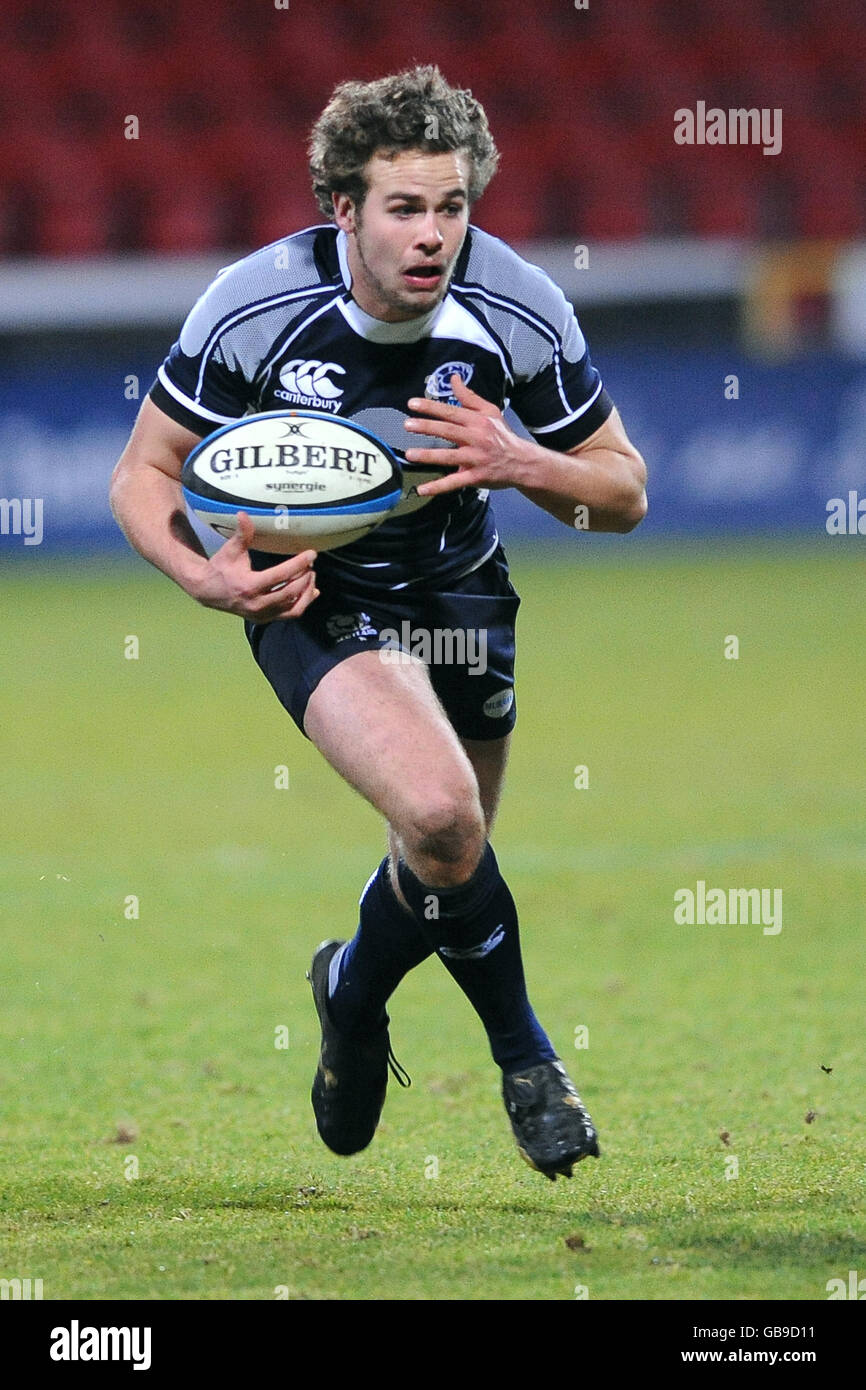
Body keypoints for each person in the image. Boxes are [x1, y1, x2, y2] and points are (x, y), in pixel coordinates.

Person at [110, 65, 647, 1180]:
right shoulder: (255, 302)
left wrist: (523, 461)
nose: (434, 234)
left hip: (463, 598)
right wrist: (201, 577)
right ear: (342, 209)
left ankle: (350, 994)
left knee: (442, 854)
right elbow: (142, 474)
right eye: (404, 207)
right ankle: (528, 1060)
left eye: (452, 206)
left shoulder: (516, 303)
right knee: (445, 813)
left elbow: (622, 493)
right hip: (317, 600)